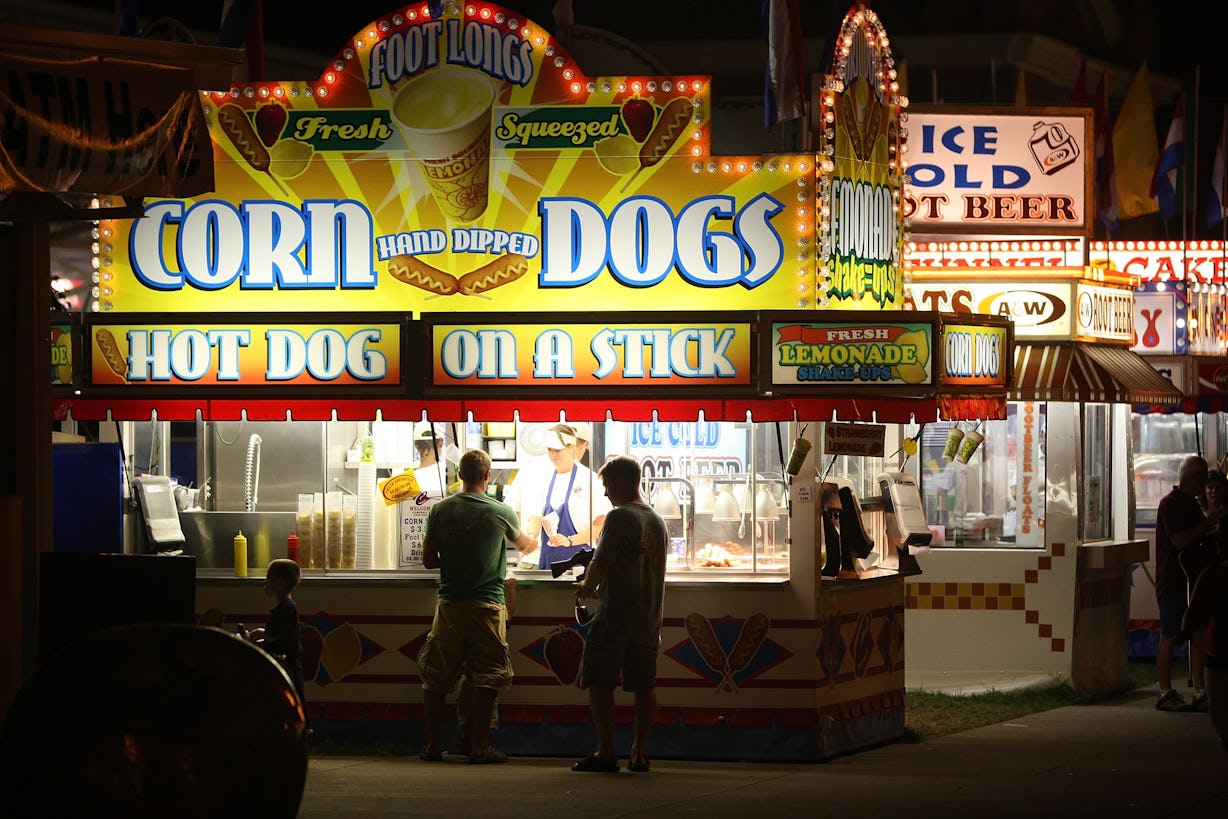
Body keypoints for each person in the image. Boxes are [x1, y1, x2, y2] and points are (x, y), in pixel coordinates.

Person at [417, 449, 535, 764]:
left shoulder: (440, 510)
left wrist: (456, 558)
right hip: (488, 605)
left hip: (450, 605)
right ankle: (480, 747)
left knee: (436, 677)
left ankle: (431, 744)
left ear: (459, 475)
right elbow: (525, 545)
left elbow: (428, 560)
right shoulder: (502, 511)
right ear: (487, 476)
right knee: (488, 676)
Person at [571, 455, 668, 774]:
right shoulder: (657, 520)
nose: (605, 493)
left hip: (615, 616)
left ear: (622, 481)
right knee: (644, 685)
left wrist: (586, 586)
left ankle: (607, 751)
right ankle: (639, 753)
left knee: (600, 682)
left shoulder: (619, 517)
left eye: (607, 485)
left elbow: (600, 562)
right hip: (648, 617)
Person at [1155, 455, 1222, 711]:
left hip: (1193, 580)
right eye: (1203, 478)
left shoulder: (1192, 505)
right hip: (1174, 580)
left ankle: (1200, 690)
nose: (1205, 484)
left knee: (1198, 633)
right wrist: (1205, 525)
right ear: (1192, 478)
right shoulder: (1170, 505)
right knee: (1170, 634)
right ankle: (1165, 691)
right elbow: (1179, 541)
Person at [517, 426, 610, 571]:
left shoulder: (590, 479)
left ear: (571, 447)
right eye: (549, 449)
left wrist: (569, 541)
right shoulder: (544, 479)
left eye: (557, 449)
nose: (553, 454)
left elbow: (600, 526)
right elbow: (535, 516)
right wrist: (531, 537)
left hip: (580, 563)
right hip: (548, 561)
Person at [1181, 512, 1228, 753]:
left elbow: (1192, 616)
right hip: (1217, 654)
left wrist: (1188, 634)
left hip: (1219, 654)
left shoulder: (1213, 574)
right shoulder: (1213, 574)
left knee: (1221, 722)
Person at [243, 558, 306, 710]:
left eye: (268, 578)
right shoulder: (288, 606)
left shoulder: (283, 609)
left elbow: (272, 635)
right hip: (291, 663)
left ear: (280, 583)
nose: (265, 583)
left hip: (287, 664)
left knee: (291, 702)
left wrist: (256, 633)